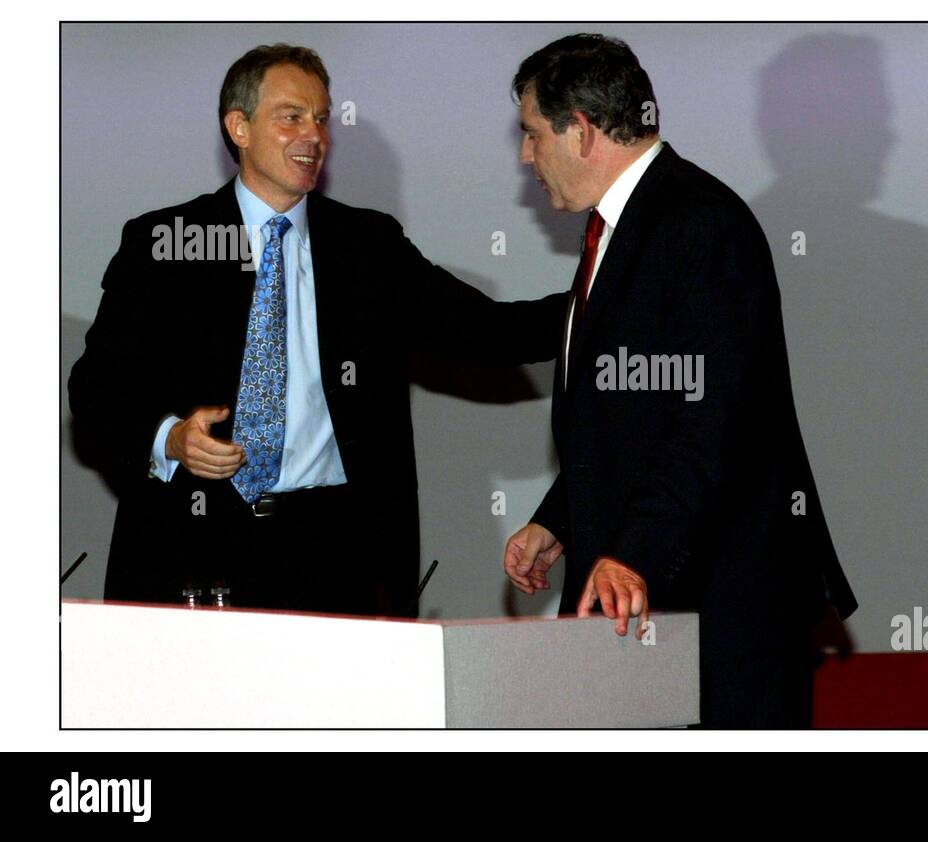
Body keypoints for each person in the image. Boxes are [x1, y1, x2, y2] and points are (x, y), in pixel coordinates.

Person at [68, 43, 565, 618]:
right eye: (291, 117)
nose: (314, 136)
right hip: (191, 545)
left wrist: (603, 296)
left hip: (333, 555)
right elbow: (96, 391)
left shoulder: (367, 246)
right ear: (239, 127)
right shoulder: (166, 243)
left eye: (322, 119)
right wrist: (171, 438)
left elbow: (490, 332)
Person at [501, 34, 857, 727]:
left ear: (579, 132)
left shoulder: (701, 225)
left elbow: (713, 420)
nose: (524, 155)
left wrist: (632, 554)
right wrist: (560, 517)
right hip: (667, 600)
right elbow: (635, 416)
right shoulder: (631, 224)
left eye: (531, 133)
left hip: (723, 609)